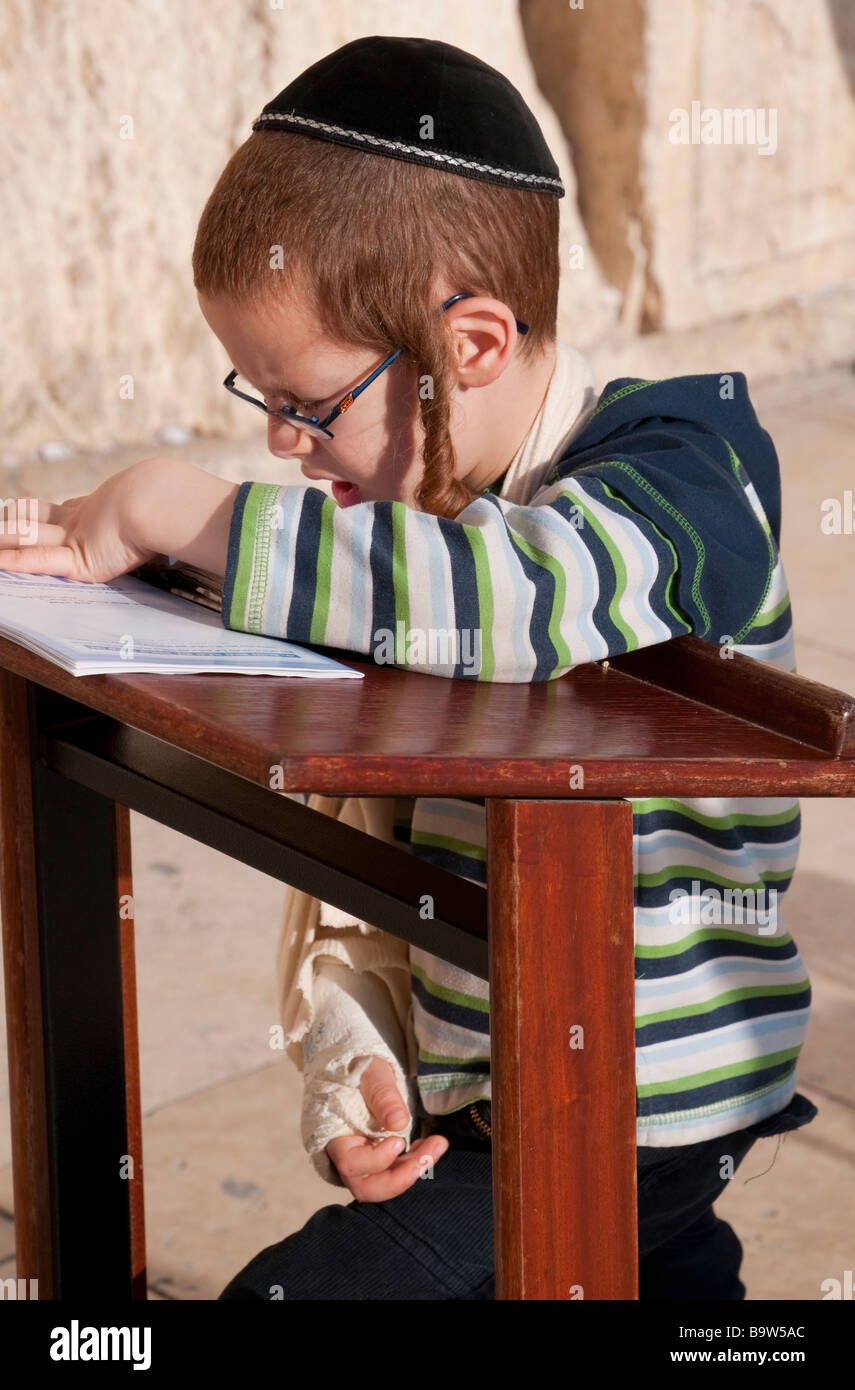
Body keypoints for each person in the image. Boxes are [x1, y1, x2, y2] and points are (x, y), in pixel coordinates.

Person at [0, 35, 818, 1300]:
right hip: (496, 1080)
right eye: (258, 397)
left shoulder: (688, 464)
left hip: (627, 1102)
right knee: (656, 1279)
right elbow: (370, 842)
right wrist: (361, 1049)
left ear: (476, 345)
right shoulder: (418, 513)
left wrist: (186, 512)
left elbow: (517, 600)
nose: (282, 442)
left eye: (313, 404)